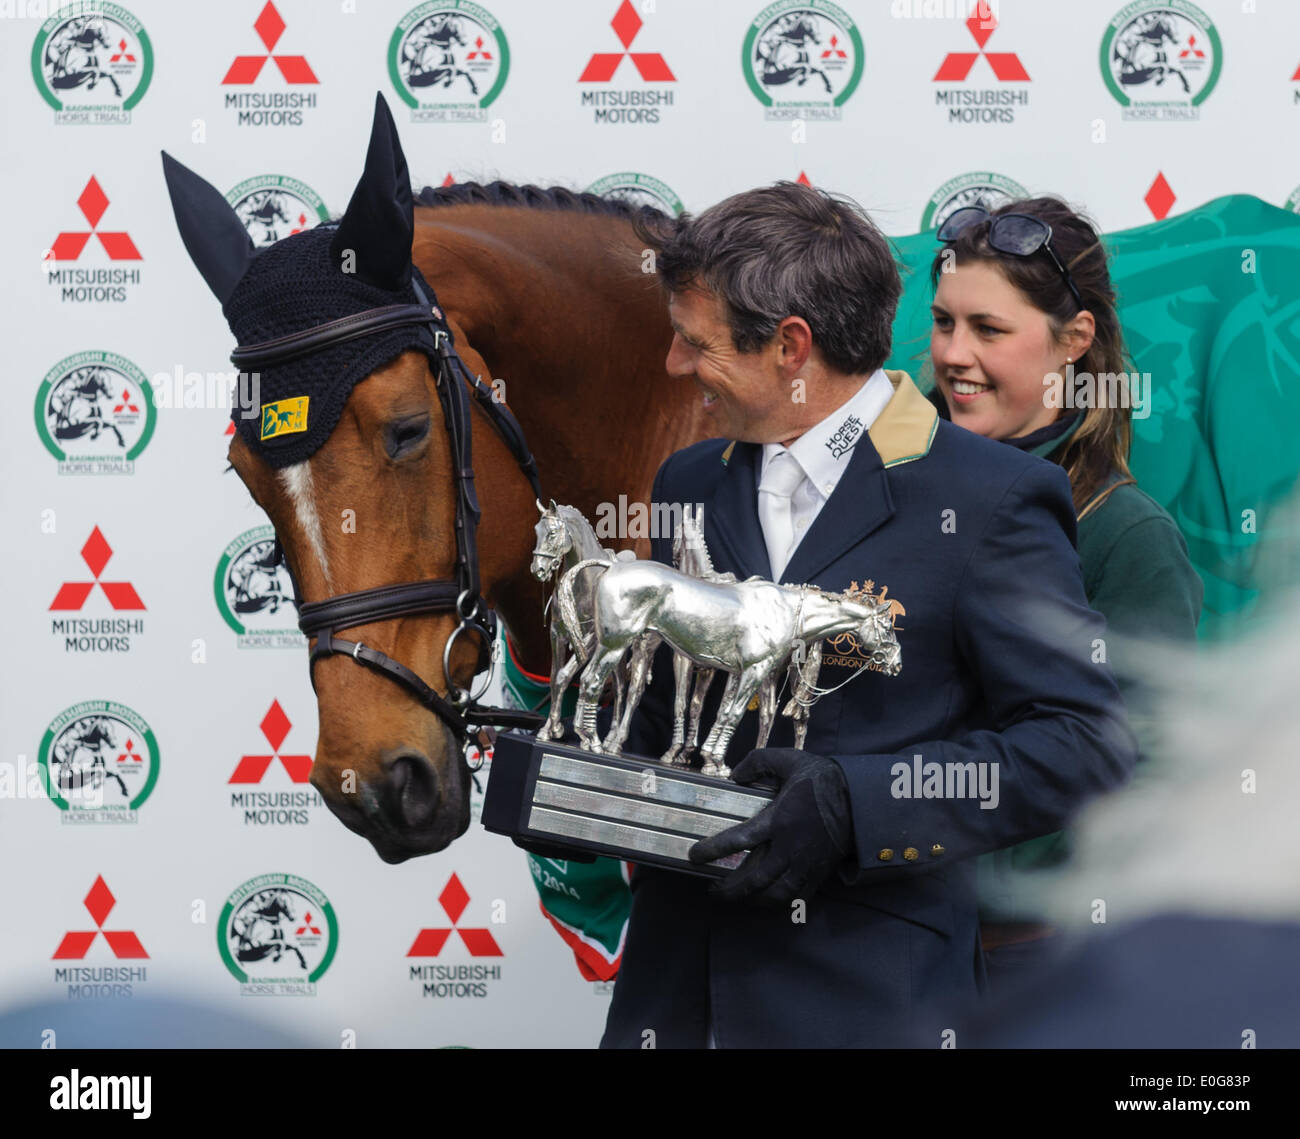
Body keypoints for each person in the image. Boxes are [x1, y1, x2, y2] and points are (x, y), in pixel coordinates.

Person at [584, 181, 1137, 1048]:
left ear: (790, 347)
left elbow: (1080, 744)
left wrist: (858, 806)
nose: (675, 367)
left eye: (696, 343)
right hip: (671, 999)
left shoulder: (990, 499)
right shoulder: (685, 481)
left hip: (869, 1003)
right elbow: (665, 721)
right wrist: (577, 776)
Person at [926, 197, 1203, 984]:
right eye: (945, 323)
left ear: (1073, 342)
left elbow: (1141, 785)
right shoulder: (898, 498)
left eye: (989, 329)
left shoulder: (1126, 536)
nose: (954, 353)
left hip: (1036, 970)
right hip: (886, 956)